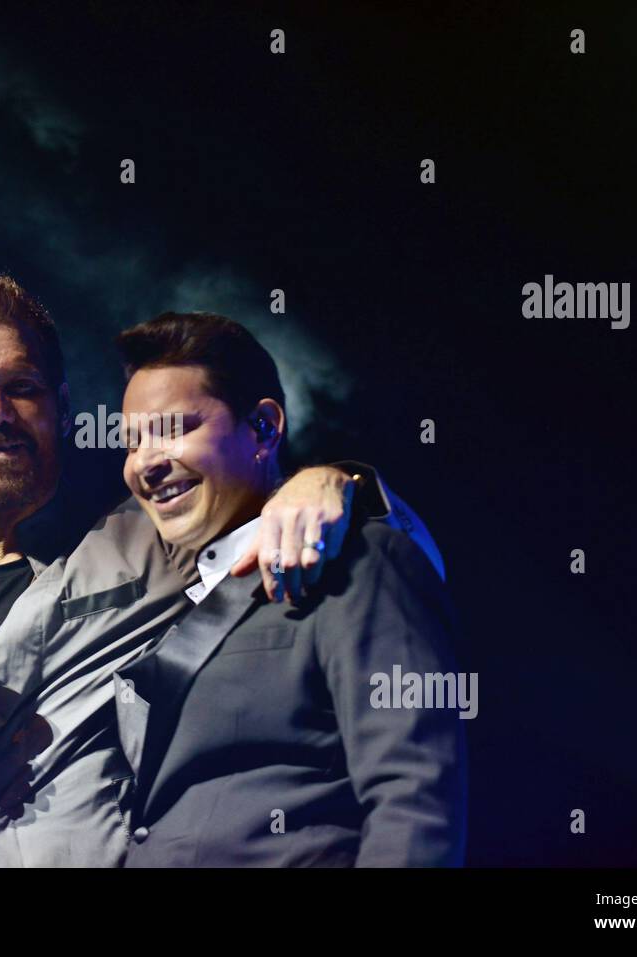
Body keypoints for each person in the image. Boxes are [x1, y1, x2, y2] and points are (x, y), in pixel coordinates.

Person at [0, 275, 436, 866]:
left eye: (21, 387)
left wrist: (338, 482)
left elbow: (384, 562)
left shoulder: (148, 544)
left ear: (62, 406)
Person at [112, 312, 467, 866]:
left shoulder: (359, 558)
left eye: (175, 429)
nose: (147, 463)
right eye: (133, 443)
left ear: (263, 428)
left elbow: (414, 797)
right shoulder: (157, 596)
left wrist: (343, 477)